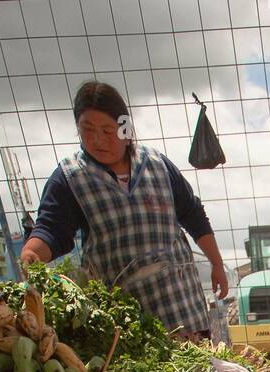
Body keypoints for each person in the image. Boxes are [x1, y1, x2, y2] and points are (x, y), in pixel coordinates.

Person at [21, 82, 228, 340]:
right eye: (87, 130)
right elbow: (52, 229)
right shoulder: (70, 178)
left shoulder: (157, 165)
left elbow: (193, 214)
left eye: (108, 130)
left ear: (126, 128)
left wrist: (217, 264)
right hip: (125, 322)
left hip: (182, 308)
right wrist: (33, 252)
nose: (97, 140)